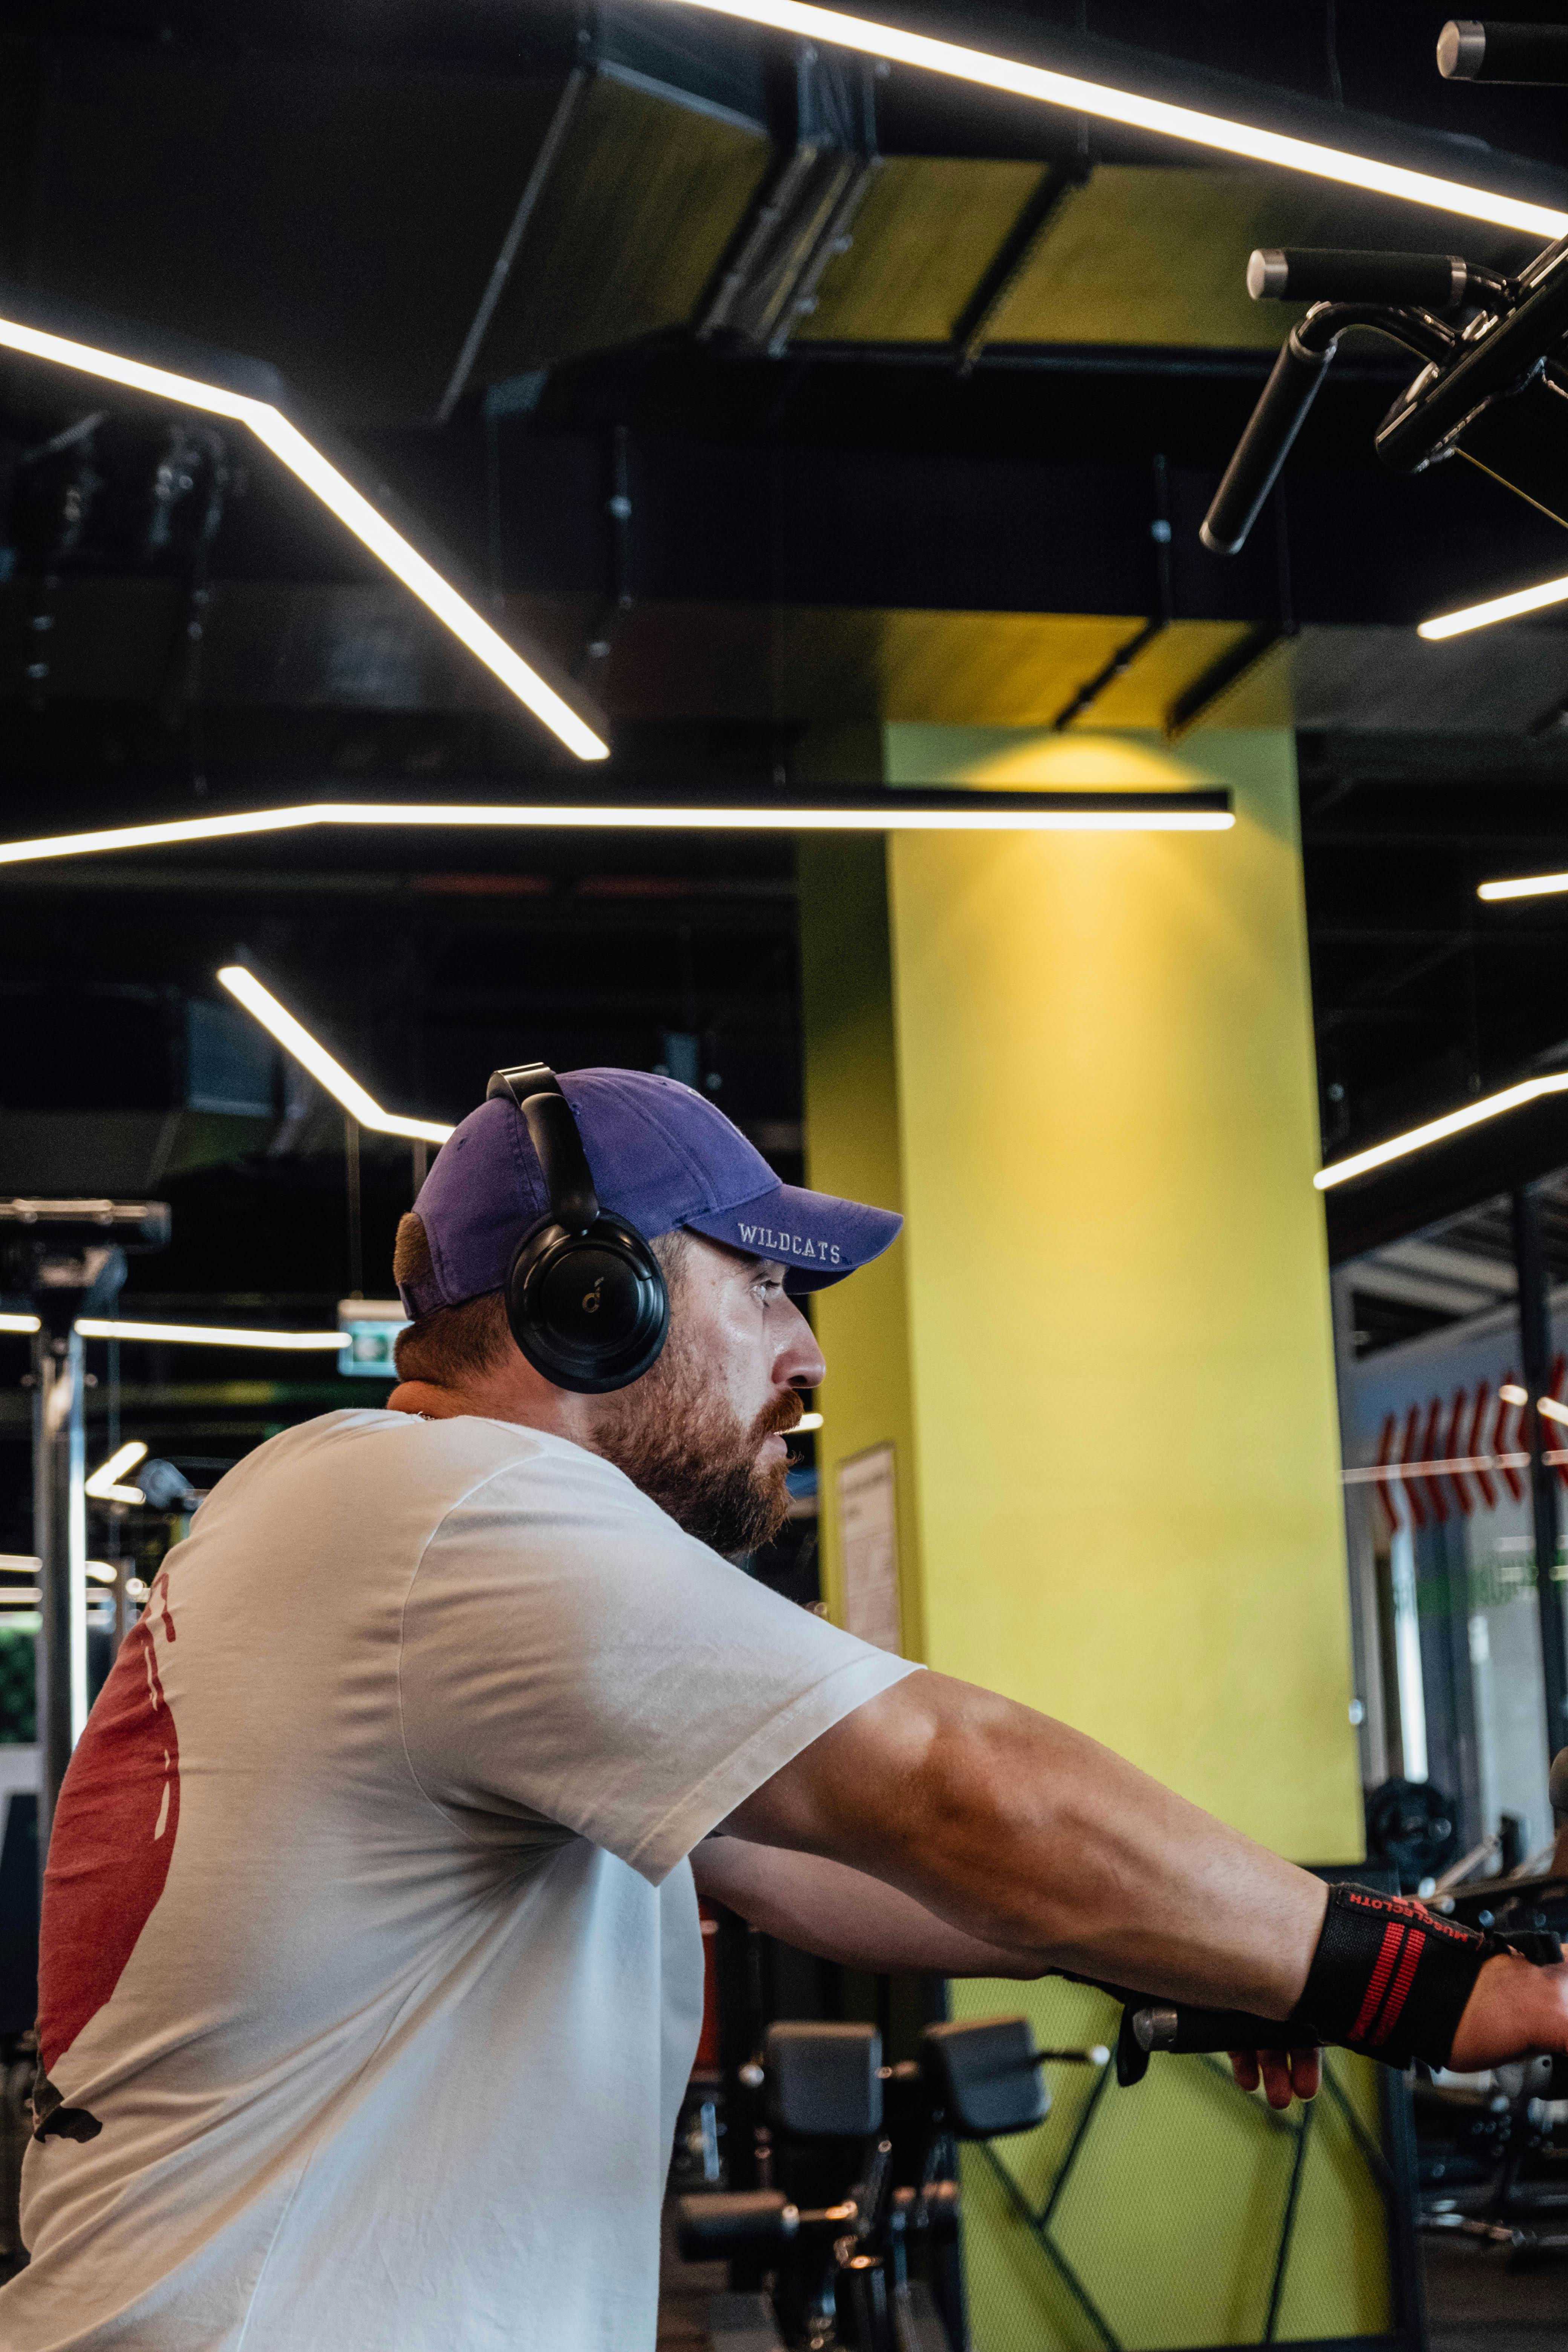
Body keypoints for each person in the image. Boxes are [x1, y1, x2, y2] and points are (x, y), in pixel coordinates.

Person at [4, 1068, 1564, 2352]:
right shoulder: (457, 1514)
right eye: (763, 1284)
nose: (807, 1357)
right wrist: (1413, 1986)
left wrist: (1235, 1947)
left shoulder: (377, 1524)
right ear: (591, 1293)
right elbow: (955, 1786)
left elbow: (832, 1867)